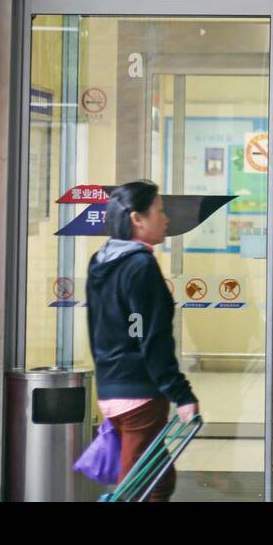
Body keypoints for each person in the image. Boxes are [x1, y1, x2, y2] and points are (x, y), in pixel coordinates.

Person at [86, 181, 199, 502]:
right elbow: (154, 339)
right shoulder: (140, 266)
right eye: (159, 211)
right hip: (139, 395)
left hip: (112, 388)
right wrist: (181, 393)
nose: (165, 219)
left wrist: (108, 375)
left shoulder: (100, 262)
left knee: (159, 482)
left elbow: (98, 329)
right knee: (134, 488)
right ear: (138, 218)